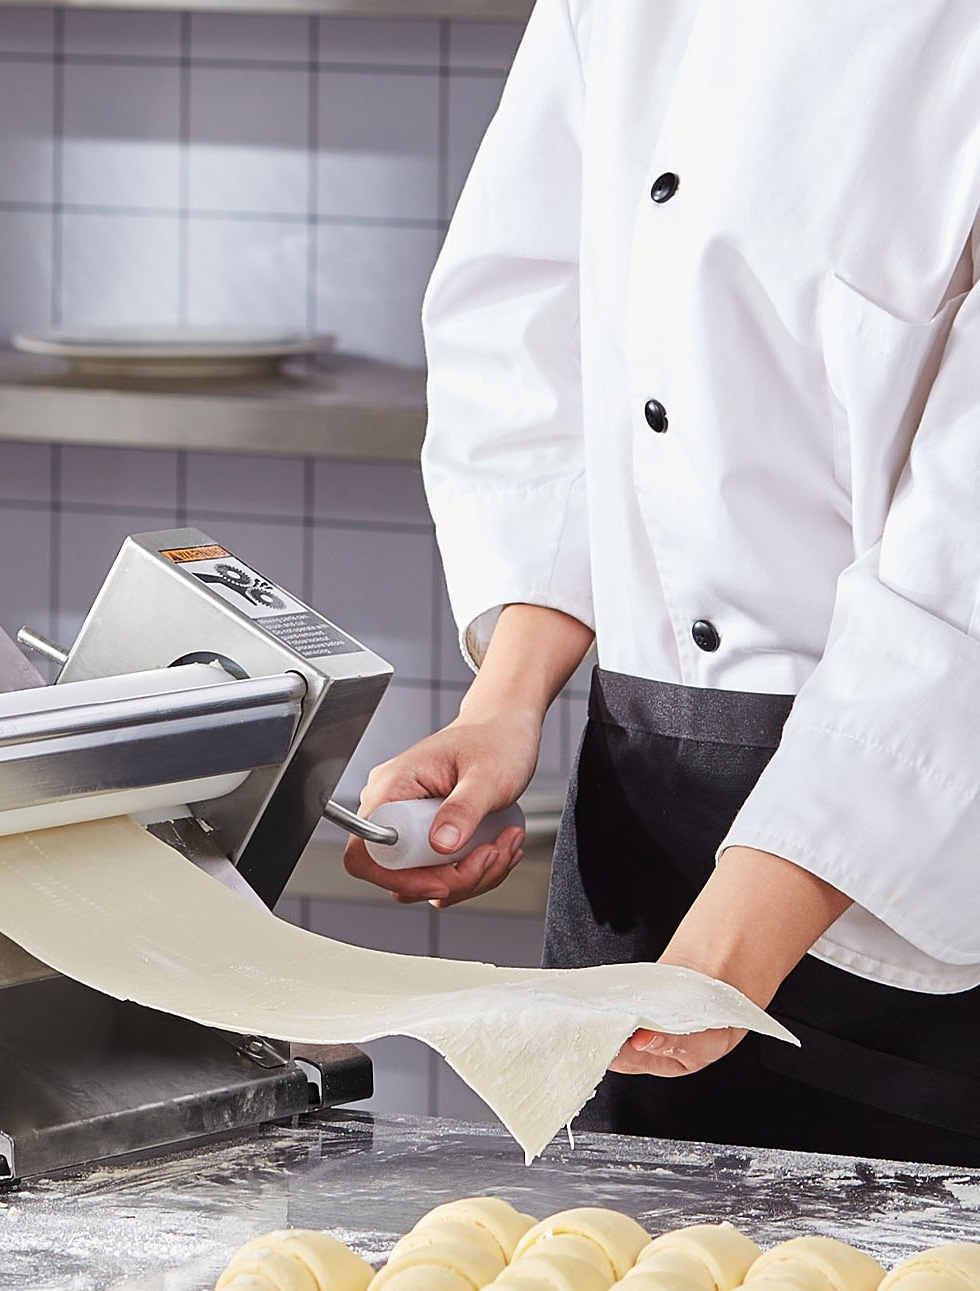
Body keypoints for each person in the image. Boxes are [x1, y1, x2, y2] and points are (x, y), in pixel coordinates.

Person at [344, 0, 980, 1164]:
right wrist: (508, 696)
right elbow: (537, 313)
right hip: (643, 820)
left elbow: (966, 551)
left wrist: (744, 932)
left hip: (921, 861)